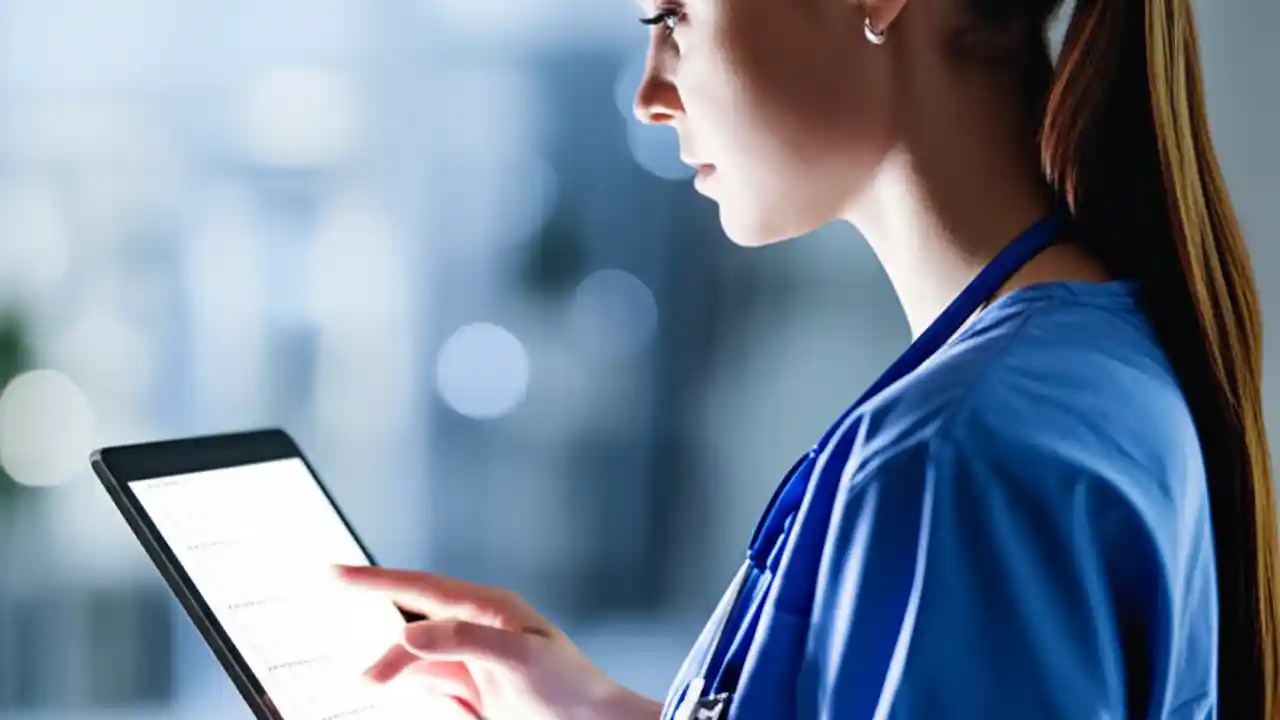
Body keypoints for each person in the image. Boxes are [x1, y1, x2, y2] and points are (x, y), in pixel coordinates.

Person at [334, 0, 1280, 716]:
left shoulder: (962, 451)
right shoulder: (1071, 371)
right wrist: (600, 709)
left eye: (674, 18)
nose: (650, 96)